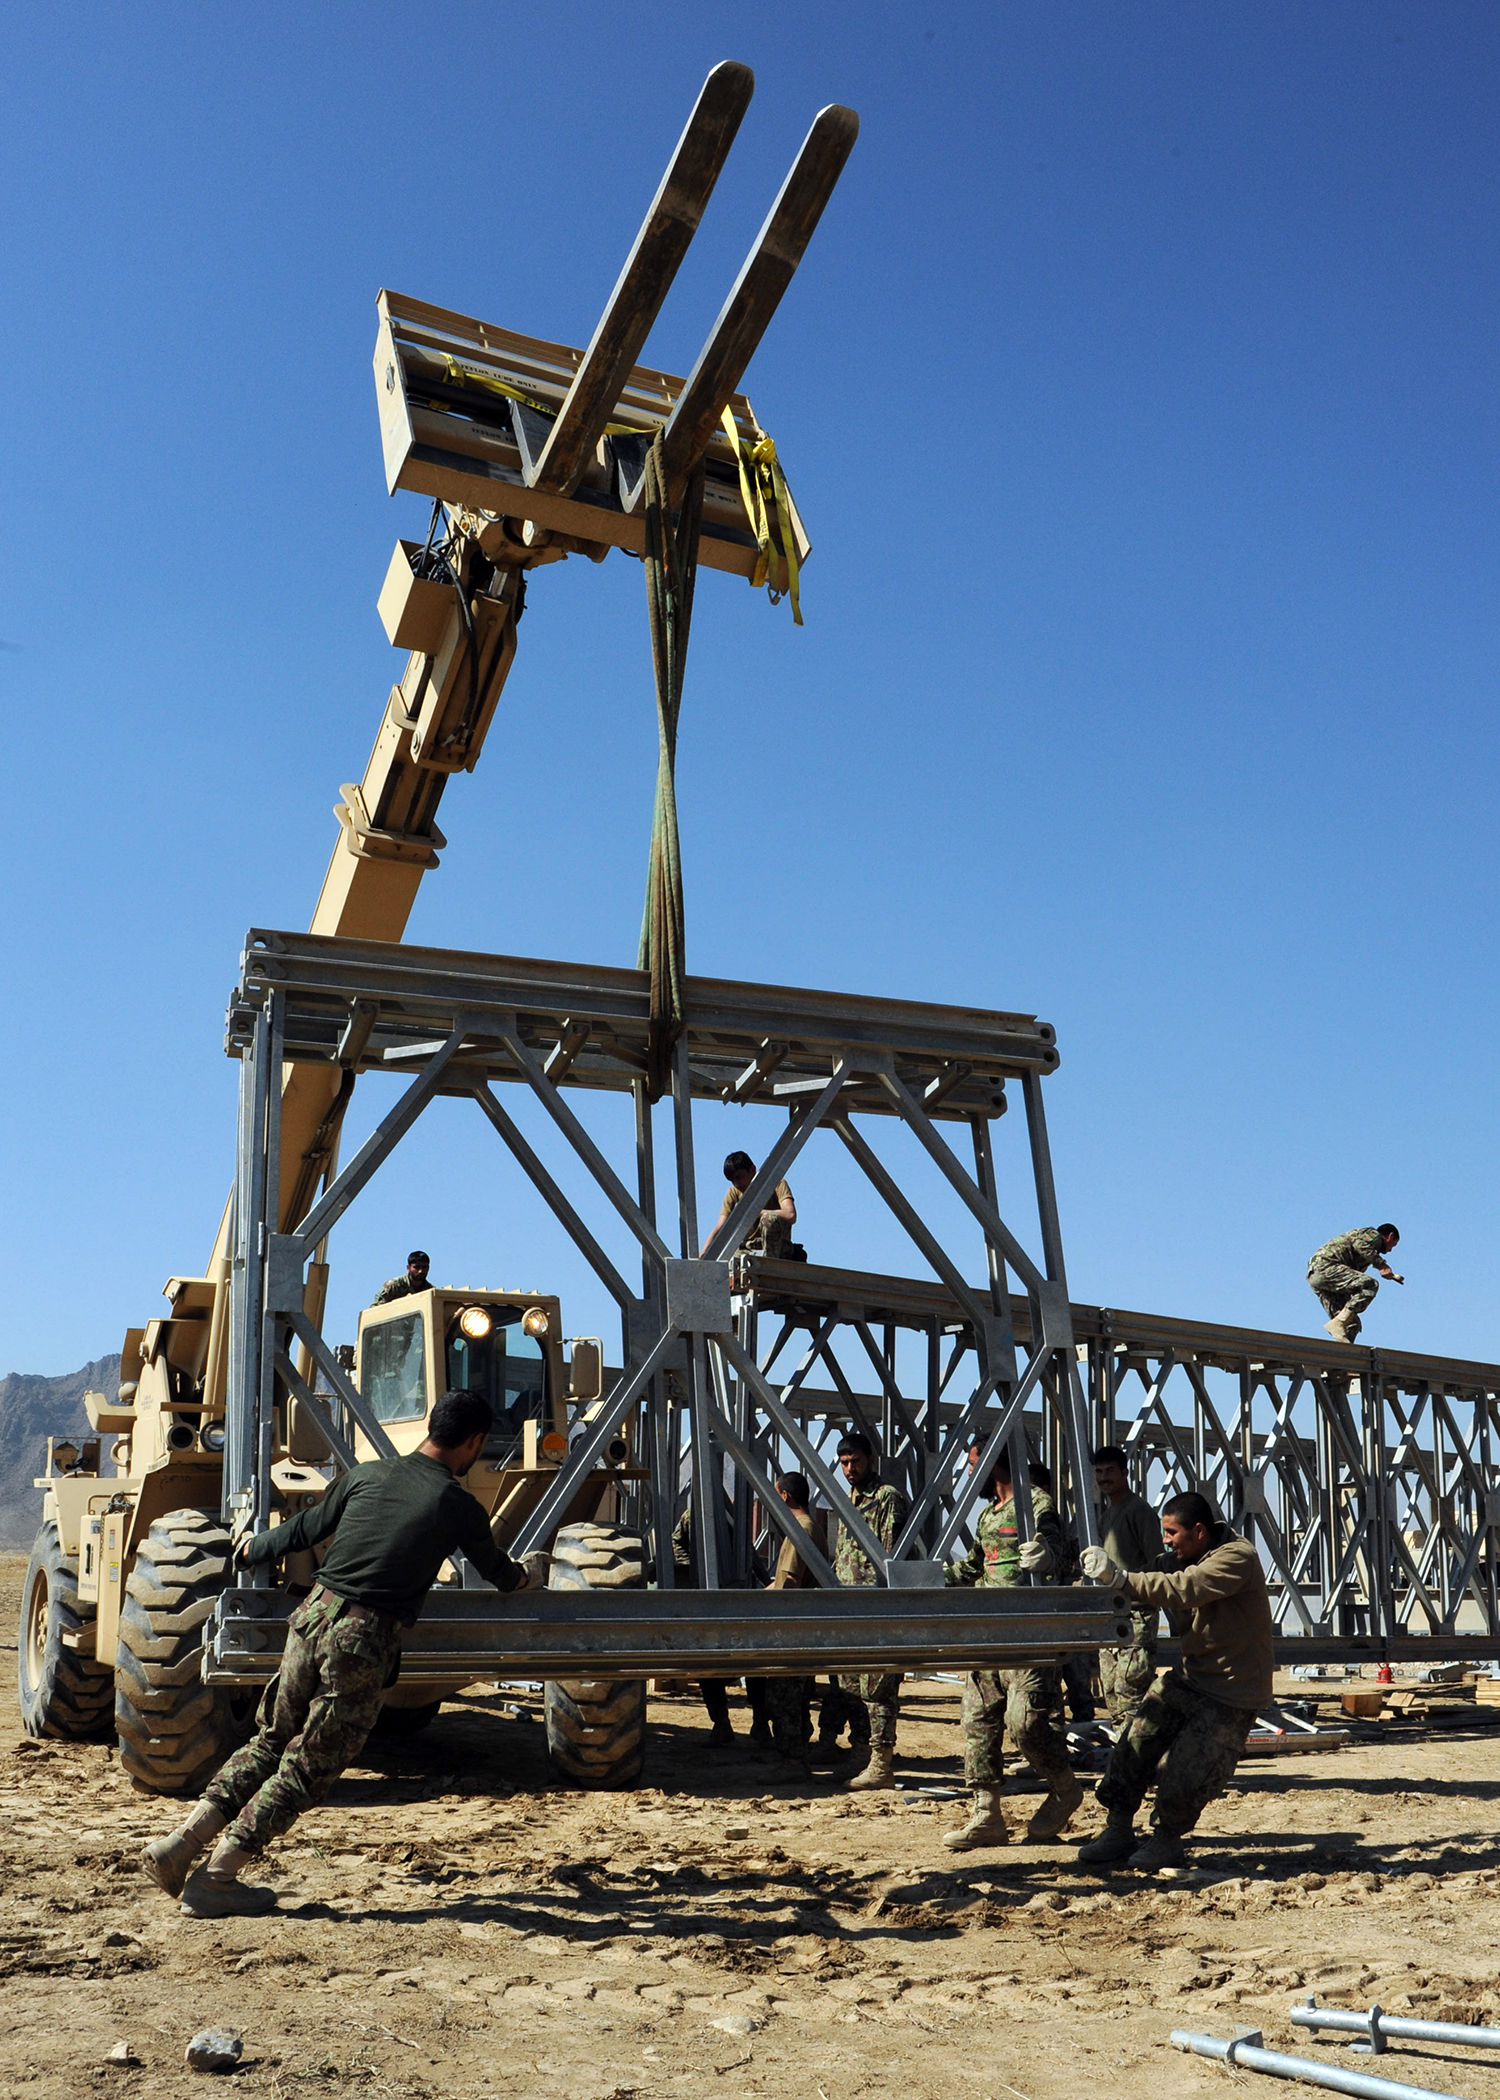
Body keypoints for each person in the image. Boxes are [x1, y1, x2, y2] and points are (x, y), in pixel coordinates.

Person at [141, 1390, 545, 1918]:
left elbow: (305, 1529)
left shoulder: (367, 1475)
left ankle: (179, 1845)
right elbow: (499, 1574)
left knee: (273, 1742)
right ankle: (216, 1878)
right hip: (360, 1639)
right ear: (472, 1443)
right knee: (310, 1765)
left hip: (310, 1619)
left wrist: (252, 1548)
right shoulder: (457, 1505)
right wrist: (532, 1573)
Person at [1077, 1488, 1273, 1872]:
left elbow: (1184, 1589)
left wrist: (1118, 1576)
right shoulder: (1181, 1557)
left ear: (1199, 1532)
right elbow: (1146, 1583)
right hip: (1192, 1676)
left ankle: (1167, 1840)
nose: (1165, 1539)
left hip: (1231, 1691)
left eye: (1172, 1532)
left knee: (1186, 1771)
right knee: (1136, 1741)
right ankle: (1118, 1829)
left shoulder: (1236, 1557)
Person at [941, 1442, 1083, 1850]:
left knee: (1027, 1724)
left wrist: (1047, 1557)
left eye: (974, 1465)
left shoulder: (1037, 1505)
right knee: (979, 1721)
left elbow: (1057, 1550)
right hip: (988, 1632)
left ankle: (1064, 1789)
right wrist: (931, 1579)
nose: (970, 1474)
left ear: (995, 1463)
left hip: (1028, 1633)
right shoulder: (988, 1513)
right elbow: (974, 1564)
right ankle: (986, 1815)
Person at [830, 1431, 909, 1790]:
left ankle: (881, 1762)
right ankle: (861, 1754)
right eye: (844, 1462)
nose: (849, 1468)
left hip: (876, 1607)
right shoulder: (849, 1498)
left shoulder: (886, 1498)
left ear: (870, 1459)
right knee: (850, 1687)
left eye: (855, 1461)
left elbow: (890, 1554)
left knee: (878, 1688)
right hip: (849, 1607)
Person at [671, 1504, 771, 1748]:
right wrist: (692, 1568)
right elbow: (676, 1544)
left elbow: (747, 1552)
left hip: (731, 1595)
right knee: (713, 1664)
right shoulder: (696, 1516)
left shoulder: (730, 1515)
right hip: (715, 1595)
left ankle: (753, 1723)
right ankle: (728, 1724)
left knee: (750, 1663)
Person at [1091, 1445, 1164, 1726]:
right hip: (1112, 1615)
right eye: (1099, 1472)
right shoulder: (1106, 1516)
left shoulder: (1139, 1512)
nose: (1104, 1477)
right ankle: (1126, 1761)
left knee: (1130, 1694)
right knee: (1112, 1696)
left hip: (1137, 1615)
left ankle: (1138, 1763)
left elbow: (1157, 1566)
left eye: (1110, 1471)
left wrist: (1121, 1577)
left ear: (1125, 1473)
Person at [760, 1473, 828, 1761]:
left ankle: (790, 1761)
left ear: (784, 1496)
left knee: (783, 1697)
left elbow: (789, 1582)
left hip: (792, 1628)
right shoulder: (809, 1526)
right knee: (796, 1696)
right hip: (803, 1625)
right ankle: (796, 1753)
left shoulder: (801, 1529)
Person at [1030, 1460, 1095, 1724]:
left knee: (1073, 1670)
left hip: (1063, 1603)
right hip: (1052, 1605)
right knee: (1059, 1672)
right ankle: (1066, 1722)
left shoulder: (1049, 1519)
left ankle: (1082, 1722)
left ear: (1044, 1488)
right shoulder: (1038, 1519)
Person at [1307, 1224, 1402, 1343]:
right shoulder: (1374, 1236)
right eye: (1393, 1244)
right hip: (1326, 1267)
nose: (1390, 1250)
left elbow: (1353, 1280)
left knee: (1351, 1324)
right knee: (1370, 1285)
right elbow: (1360, 1244)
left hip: (1317, 1276)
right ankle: (1339, 1322)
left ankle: (1343, 1355)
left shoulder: (1363, 1257)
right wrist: (1381, 1265)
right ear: (1390, 1236)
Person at [703, 1151, 797, 1259]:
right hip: (747, 1250)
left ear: (752, 1170)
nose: (736, 1184)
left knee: (769, 1218)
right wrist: (703, 1256)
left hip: (777, 1249)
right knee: (723, 1262)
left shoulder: (776, 1184)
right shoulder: (733, 1193)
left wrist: (757, 1212)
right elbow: (720, 1228)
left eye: (739, 1177)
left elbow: (790, 1215)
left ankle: (769, 1262)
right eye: (732, 1180)